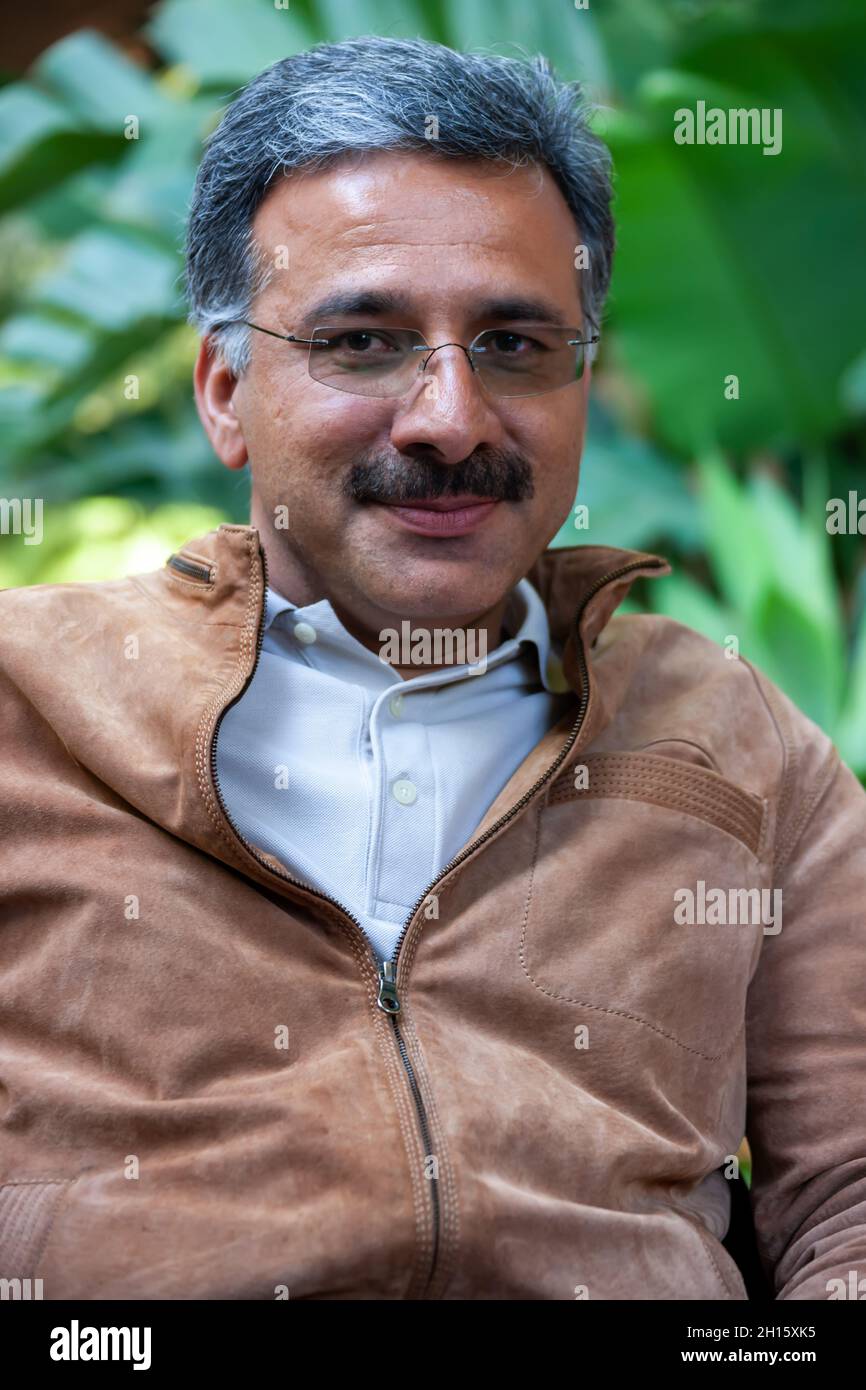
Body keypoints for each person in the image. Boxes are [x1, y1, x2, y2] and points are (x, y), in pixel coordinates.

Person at [1, 35, 863, 1302]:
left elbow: (850, 1194)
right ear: (226, 392)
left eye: (514, 344)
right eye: (362, 342)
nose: (449, 419)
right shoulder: (29, 703)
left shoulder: (728, 736)